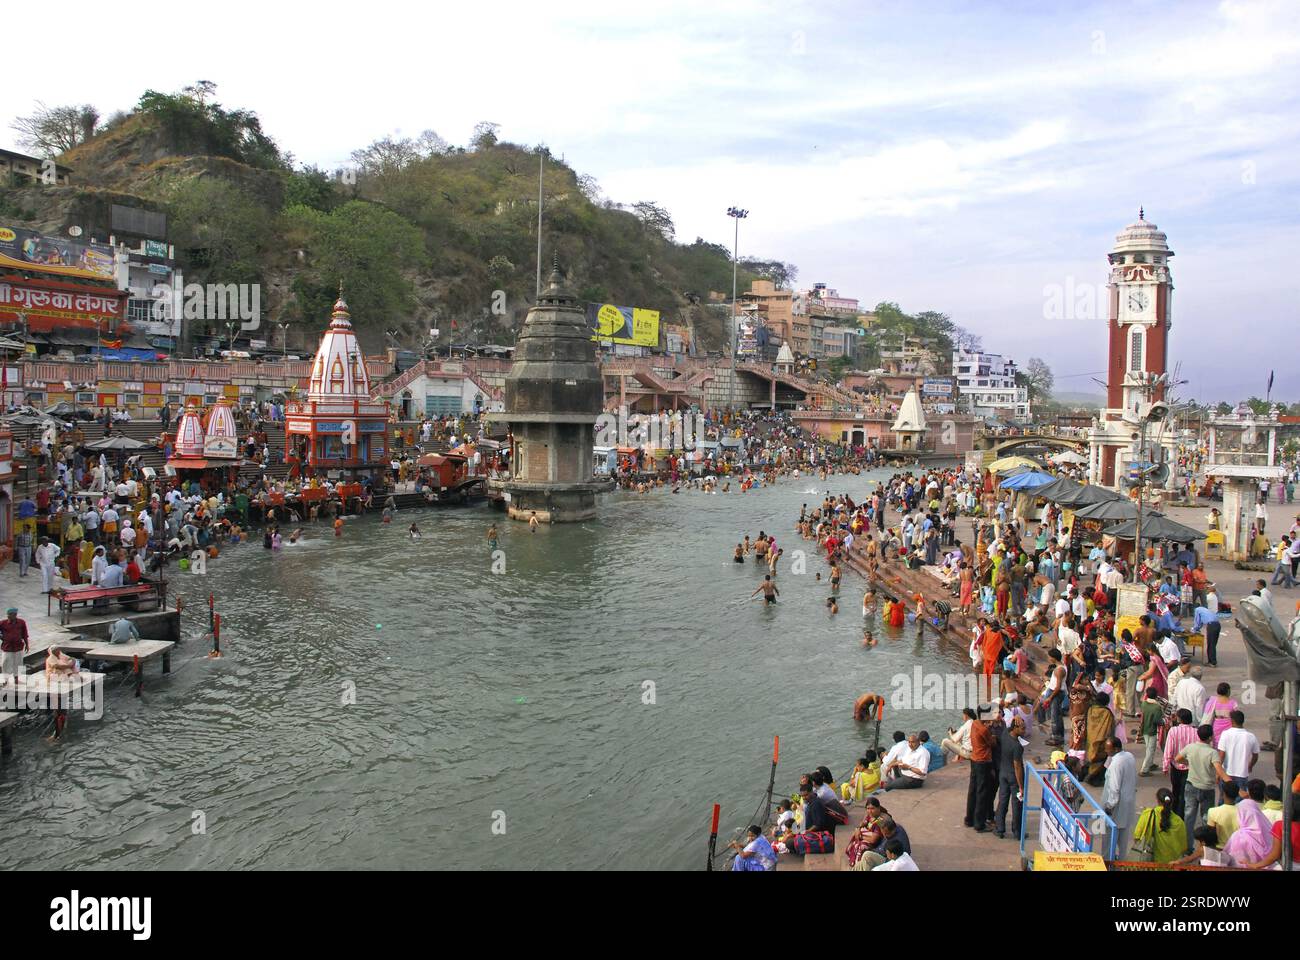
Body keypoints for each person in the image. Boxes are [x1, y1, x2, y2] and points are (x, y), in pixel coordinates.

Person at [1102, 735, 1138, 859]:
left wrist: (1109, 806)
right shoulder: (1129, 756)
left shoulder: (1116, 763)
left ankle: (1107, 862)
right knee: (1123, 839)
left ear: (1116, 749)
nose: (1106, 751)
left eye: (1108, 749)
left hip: (1116, 806)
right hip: (1127, 802)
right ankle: (1121, 861)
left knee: (1108, 838)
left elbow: (1114, 787)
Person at [1132, 788, 1187, 864]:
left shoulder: (1148, 814)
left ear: (1157, 800)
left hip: (1150, 865)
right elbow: (1183, 847)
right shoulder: (1179, 822)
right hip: (1171, 865)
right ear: (1171, 802)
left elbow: (1137, 836)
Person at [994, 715, 1026, 840]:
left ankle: (999, 828)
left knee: (1002, 801)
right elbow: (1017, 766)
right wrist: (1021, 786)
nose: (1024, 731)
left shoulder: (1005, 734)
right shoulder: (1017, 746)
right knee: (1017, 804)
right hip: (1013, 777)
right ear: (1016, 728)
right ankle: (1017, 831)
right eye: (1022, 729)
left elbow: (1006, 725)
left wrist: (1016, 717)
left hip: (1003, 773)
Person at [965, 709, 996, 832]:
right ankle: (979, 823)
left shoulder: (975, 724)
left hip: (974, 759)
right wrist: (993, 735)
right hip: (983, 761)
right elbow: (992, 743)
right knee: (982, 793)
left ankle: (969, 819)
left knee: (973, 790)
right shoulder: (984, 730)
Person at [1216, 711, 1260, 796]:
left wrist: (1218, 773)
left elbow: (1221, 755)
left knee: (1224, 798)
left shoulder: (1225, 734)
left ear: (1232, 721)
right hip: (1242, 774)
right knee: (1240, 801)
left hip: (1226, 774)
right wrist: (1250, 765)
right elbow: (1255, 755)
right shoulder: (1250, 736)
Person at [0, 608, 30, 682]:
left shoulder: (21, 622)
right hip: (7, 647)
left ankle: (16, 678)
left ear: (15, 615)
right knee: (5, 663)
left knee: (18, 663)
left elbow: (25, 634)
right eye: (8, 615)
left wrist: (27, 644)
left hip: (18, 646)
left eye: (10, 615)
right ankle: (5, 679)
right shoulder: (2, 623)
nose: (8, 616)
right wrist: (2, 637)